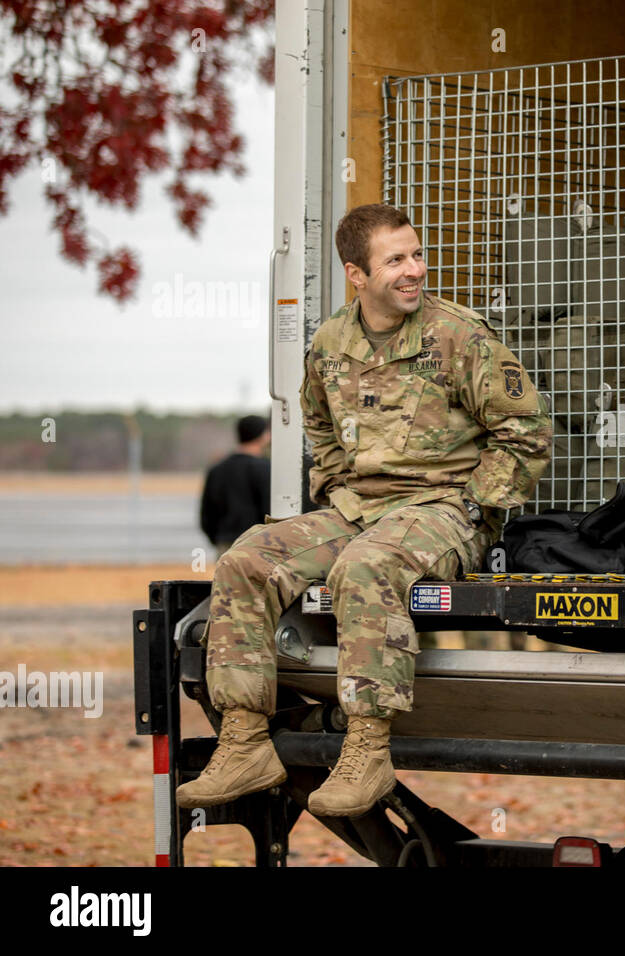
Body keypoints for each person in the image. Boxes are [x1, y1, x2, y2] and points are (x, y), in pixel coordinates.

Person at [177, 203, 552, 817]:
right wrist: (334, 487)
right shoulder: (330, 341)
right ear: (356, 274)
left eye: (417, 254)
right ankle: (245, 742)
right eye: (395, 260)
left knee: (365, 566)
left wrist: (472, 504)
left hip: (440, 510)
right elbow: (319, 426)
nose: (415, 270)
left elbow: (527, 431)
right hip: (359, 508)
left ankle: (368, 750)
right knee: (246, 559)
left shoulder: (457, 335)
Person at [199, 415, 271, 561]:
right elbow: (269, 509)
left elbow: (206, 514)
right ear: (262, 435)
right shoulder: (266, 469)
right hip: (258, 545)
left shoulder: (217, 469)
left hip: (225, 545)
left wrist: (218, 538)